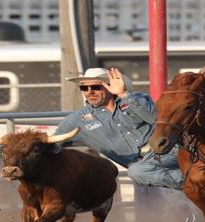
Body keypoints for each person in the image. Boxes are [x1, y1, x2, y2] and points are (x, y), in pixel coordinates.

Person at [51, 66, 184, 193]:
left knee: (138, 172)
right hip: (143, 167)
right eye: (84, 87)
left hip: (169, 150)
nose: (89, 91)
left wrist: (124, 94)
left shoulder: (135, 98)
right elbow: (52, 145)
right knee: (138, 172)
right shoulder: (76, 120)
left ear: (110, 86)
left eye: (96, 87)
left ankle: (193, 184)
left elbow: (158, 119)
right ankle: (192, 182)